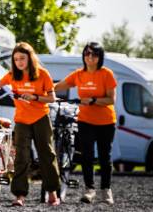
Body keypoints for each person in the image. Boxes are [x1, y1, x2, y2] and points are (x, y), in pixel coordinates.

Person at [0, 42, 61, 207]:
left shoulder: (43, 74)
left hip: (41, 118)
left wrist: (35, 97)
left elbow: (52, 98)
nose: (19, 62)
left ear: (30, 58)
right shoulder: (12, 75)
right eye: (16, 59)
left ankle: (52, 191)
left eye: (22, 58)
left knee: (47, 154)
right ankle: (19, 195)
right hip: (21, 120)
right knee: (21, 156)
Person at [55, 42, 117, 205]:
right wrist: (42, 90)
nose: (90, 57)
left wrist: (94, 100)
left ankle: (106, 190)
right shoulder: (78, 74)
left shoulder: (106, 74)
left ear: (100, 57)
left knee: (104, 157)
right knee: (86, 156)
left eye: (94, 54)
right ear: (83, 56)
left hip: (106, 122)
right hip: (85, 121)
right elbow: (58, 86)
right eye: (87, 53)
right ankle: (89, 190)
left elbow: (111, 99)